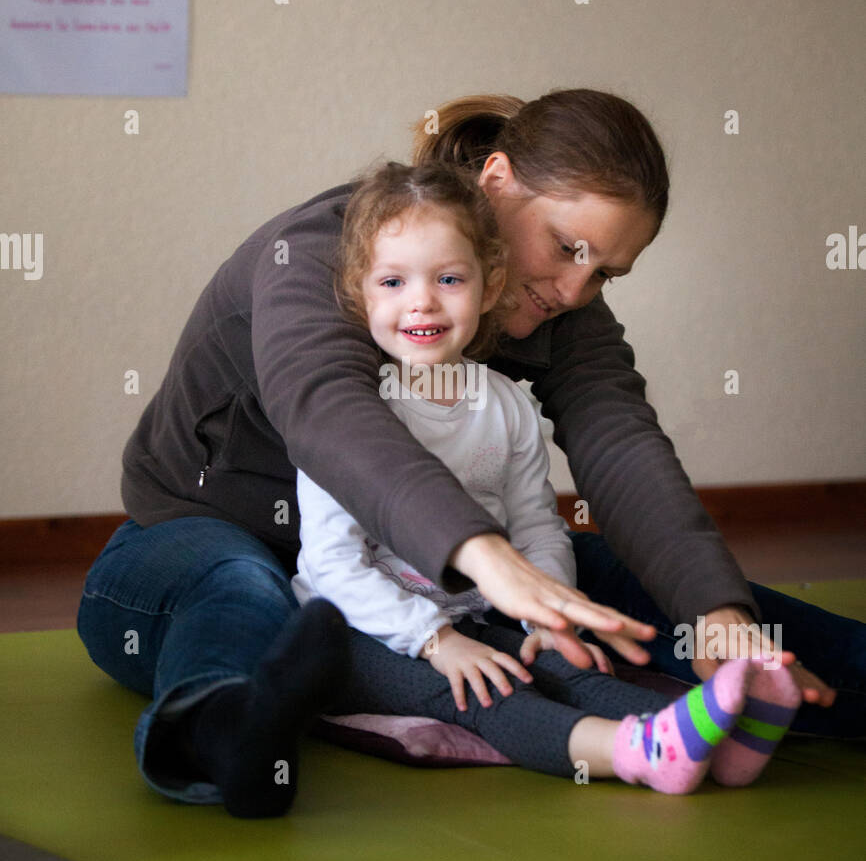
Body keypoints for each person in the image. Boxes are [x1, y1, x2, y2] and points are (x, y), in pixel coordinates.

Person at [76, 89, 864, 818]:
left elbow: (622, 443)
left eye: (605, 272)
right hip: (198, 537)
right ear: (496, 180)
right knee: (251, 592)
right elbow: (327, 409)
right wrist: (485, 557)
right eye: (566, 247)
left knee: (589, 583)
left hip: (413, 569)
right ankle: (220, 739)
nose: (574, 289)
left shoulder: (550, 296)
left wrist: (717, 614)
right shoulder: (331, 251)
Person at [291, 158, 805, 792]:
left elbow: (536, 527)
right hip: (361, 629)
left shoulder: (507, 405)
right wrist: (435, 641)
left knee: (570, 666)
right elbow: (333, 566)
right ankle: (634, 753)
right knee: (488, 692)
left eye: (449, 278)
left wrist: (550, 623)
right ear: (358, 291)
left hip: (471, 614)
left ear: (488, 283)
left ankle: (724, 741)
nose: (421, 299)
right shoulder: (359, 414)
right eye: (393, 282)